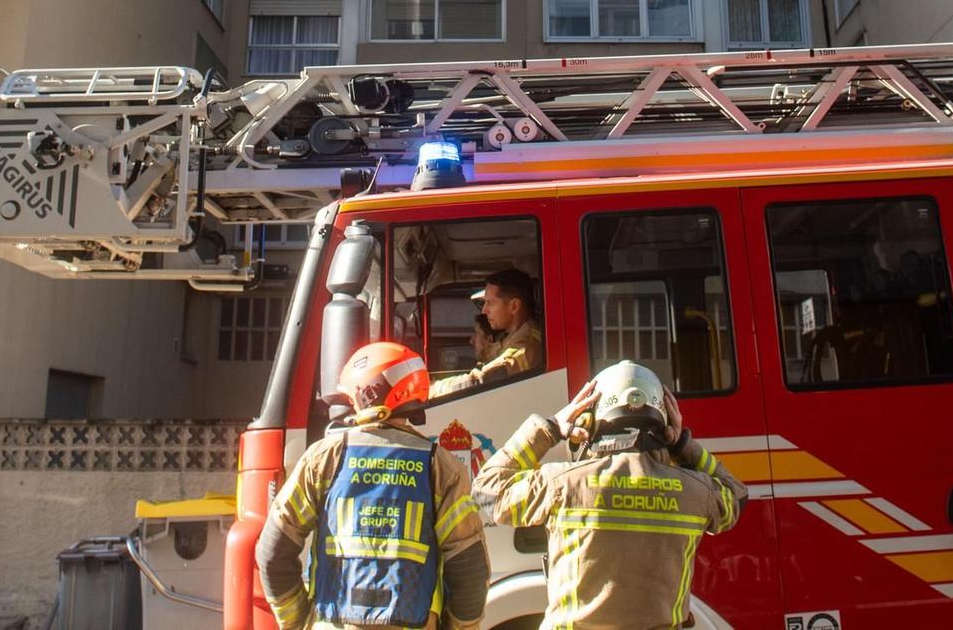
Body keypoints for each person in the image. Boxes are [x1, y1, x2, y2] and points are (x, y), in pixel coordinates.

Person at [474, 361, 746, 630]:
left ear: (590, 419)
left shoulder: (563, 483)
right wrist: (682, 445)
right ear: (663, 420)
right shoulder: (695, 492)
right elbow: (737, 497)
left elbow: (486, 490)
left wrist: (551, 428)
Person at [257, 341, 490, 630]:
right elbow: (469, 569)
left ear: (369, 394)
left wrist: (297, 623)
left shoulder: (323, 458)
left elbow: (272, 553)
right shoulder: (441, 468)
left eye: (352, 398)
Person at [430, 267, 543, 399]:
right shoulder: (514, 337)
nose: (484, 310)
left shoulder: (526, 346)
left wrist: (433, 390)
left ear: (514, 306)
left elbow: (484, 380)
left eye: (490, 303)